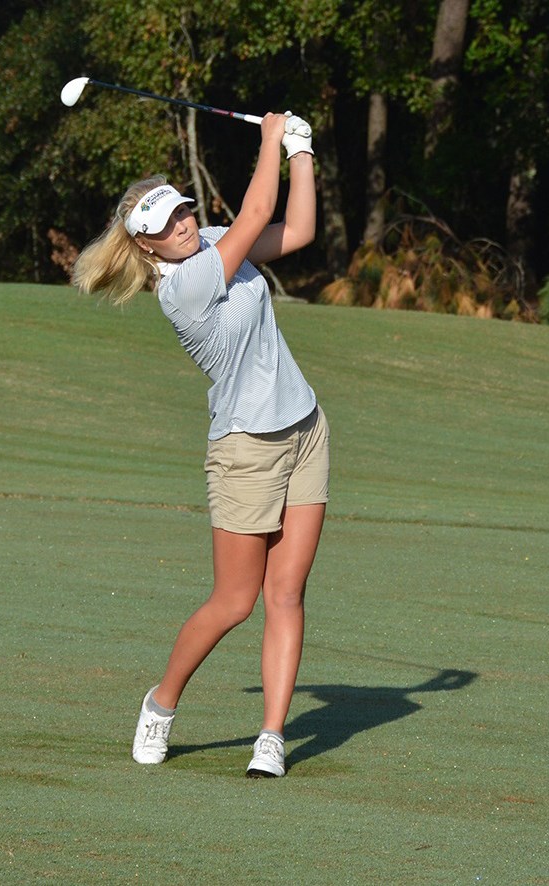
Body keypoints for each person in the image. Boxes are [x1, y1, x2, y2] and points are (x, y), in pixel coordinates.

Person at [72, 112, 327, 778]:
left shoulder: (213, 241)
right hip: (245, 448)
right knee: (234, 602)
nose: (183, 225)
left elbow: (296, 230)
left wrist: (301, 152)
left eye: (183, 212)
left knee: (288, 594)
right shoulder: (185, 285)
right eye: (166, 226)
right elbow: (259, 207)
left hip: (304, 429)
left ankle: (271, 736)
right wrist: (270, 136)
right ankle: (160, 702)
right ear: (147, 246)